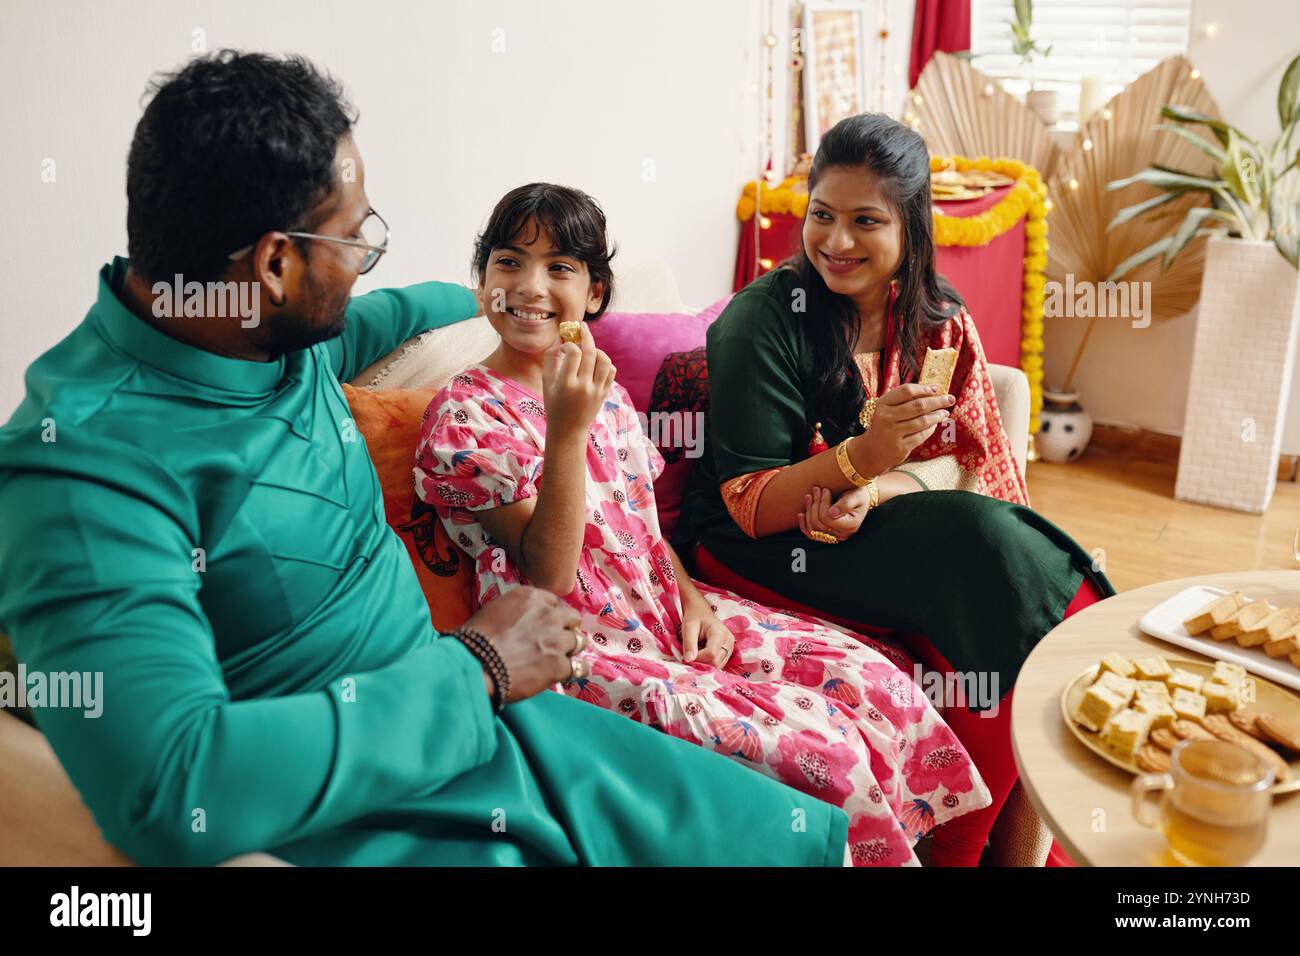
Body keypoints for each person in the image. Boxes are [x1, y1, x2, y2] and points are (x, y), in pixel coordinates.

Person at [0, 51, 850, 867]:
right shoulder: (85, 468)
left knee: (803, 836)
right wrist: (476, 666)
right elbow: (170, 784)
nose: (368, 258)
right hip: (379, 798)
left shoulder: (275, 338)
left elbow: (430, 304)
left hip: (505, 728)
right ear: (274, 261)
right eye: (353, 239)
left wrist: (528, 312)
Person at [414, 183, 992, 867]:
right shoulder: (465, 412)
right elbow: (548, 572)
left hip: (662, 612)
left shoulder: (600, 391)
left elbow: (641, 529)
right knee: (824, 752)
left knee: (879, 682)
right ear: (482, 280)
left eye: (559, 268)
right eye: (509, 263)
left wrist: (693, 603)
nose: (529, 286)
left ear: (595, 293)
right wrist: (564, 433)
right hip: (571, 656)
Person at [678, 113, 1116, 866]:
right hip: (758, 548)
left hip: (868, 524)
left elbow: (973, 462)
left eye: (864, 221)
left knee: (998, 574)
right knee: (986, 559)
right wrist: (863, 455)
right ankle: (964, 849)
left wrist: (874, 489)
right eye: (822, 214)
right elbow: (748, 503)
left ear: (911, 228)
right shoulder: (764, 321)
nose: (836, 242)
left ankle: (980, 840)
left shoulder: (936, 320)